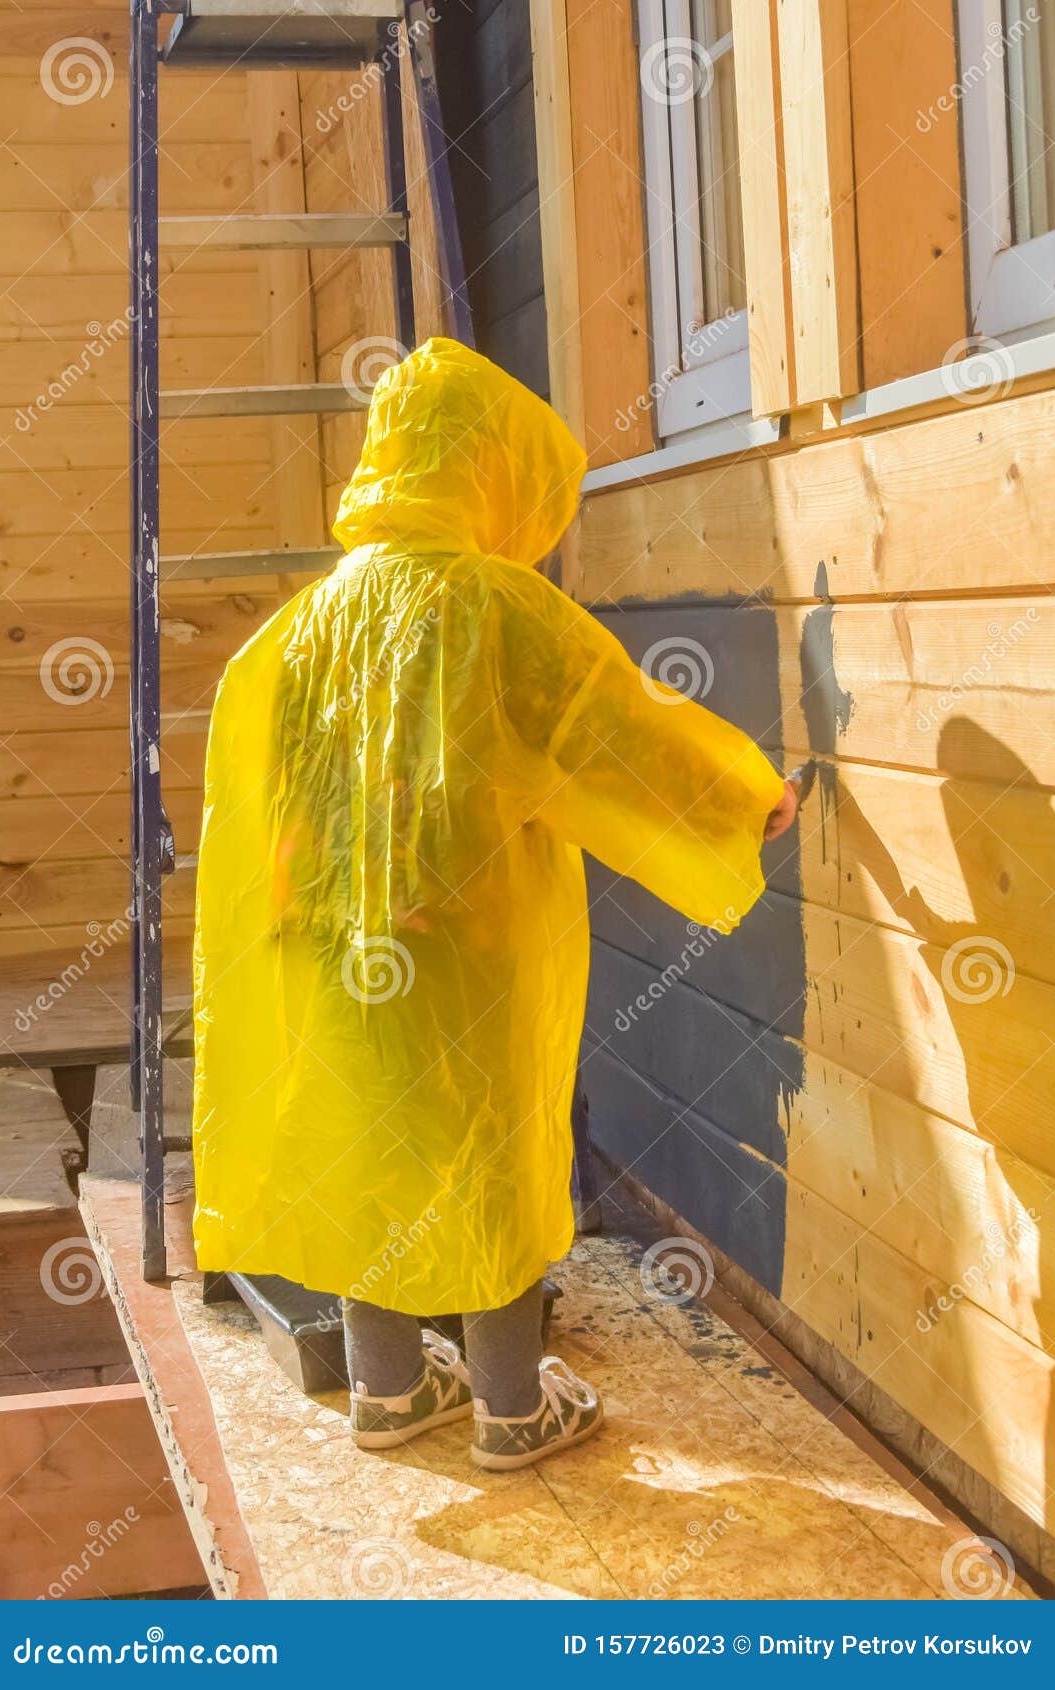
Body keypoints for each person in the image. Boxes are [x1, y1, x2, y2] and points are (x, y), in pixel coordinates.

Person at [192, 338, 799, 1472]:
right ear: (482, 472)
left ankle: (386, 1390)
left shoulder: (296, 629)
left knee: (370, 1161)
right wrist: (740, 805)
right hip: (465, 954)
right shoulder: (493, 607)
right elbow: (609, 731)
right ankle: (512, 1409)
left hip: (324, 951)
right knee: (492, 1157)